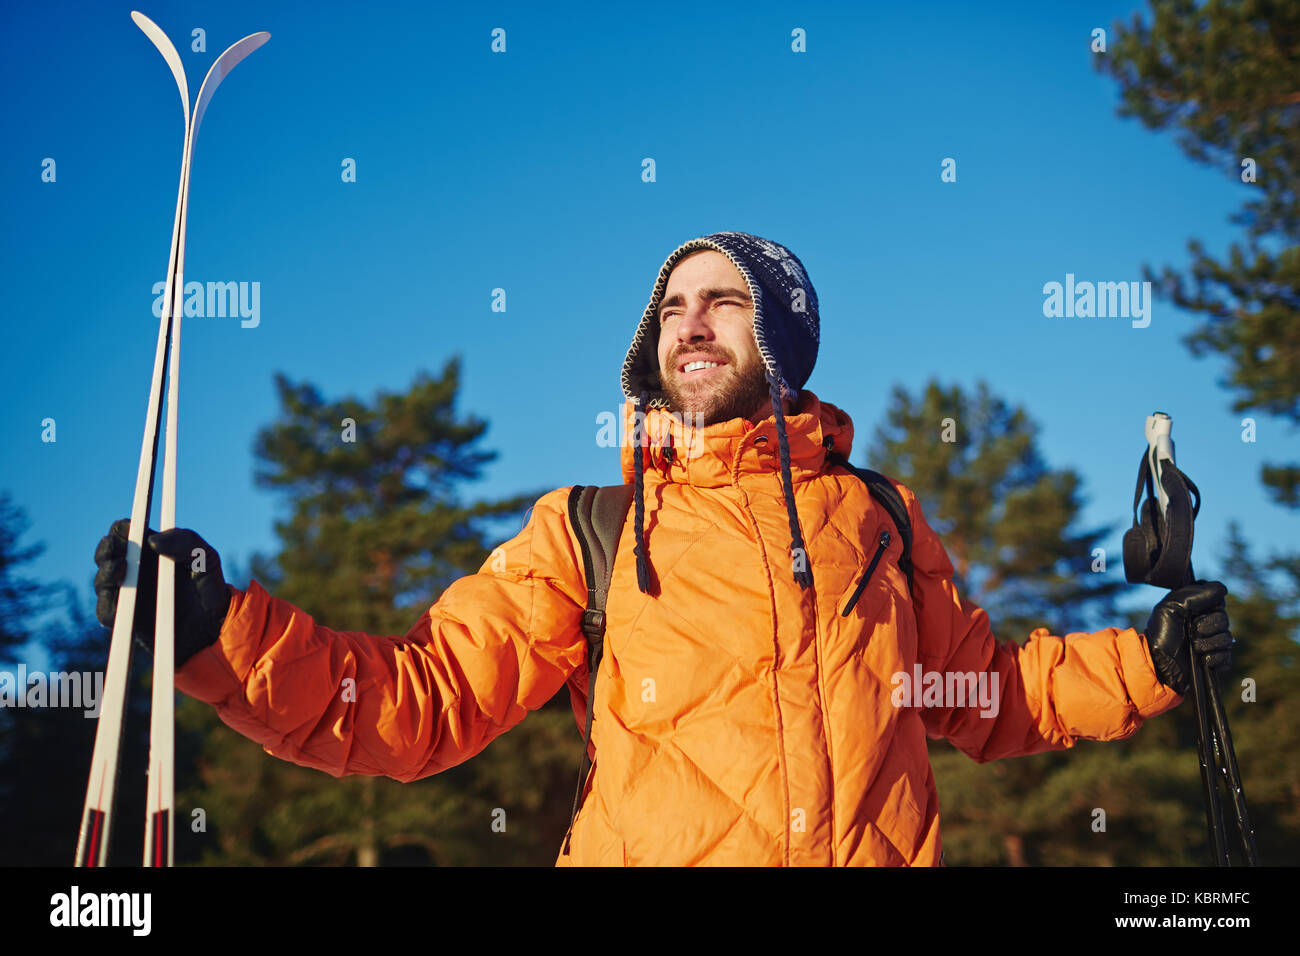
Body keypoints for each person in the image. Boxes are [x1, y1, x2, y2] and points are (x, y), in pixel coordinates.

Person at [94, 231, 1234, 866]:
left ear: (782, 335)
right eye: (671, 304)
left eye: (721, 299)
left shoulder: (879, 516)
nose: (686, 320)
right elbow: (419, 701)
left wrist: (1146, 663)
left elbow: (981, 692)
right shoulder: (590, 529)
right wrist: (218, 633)